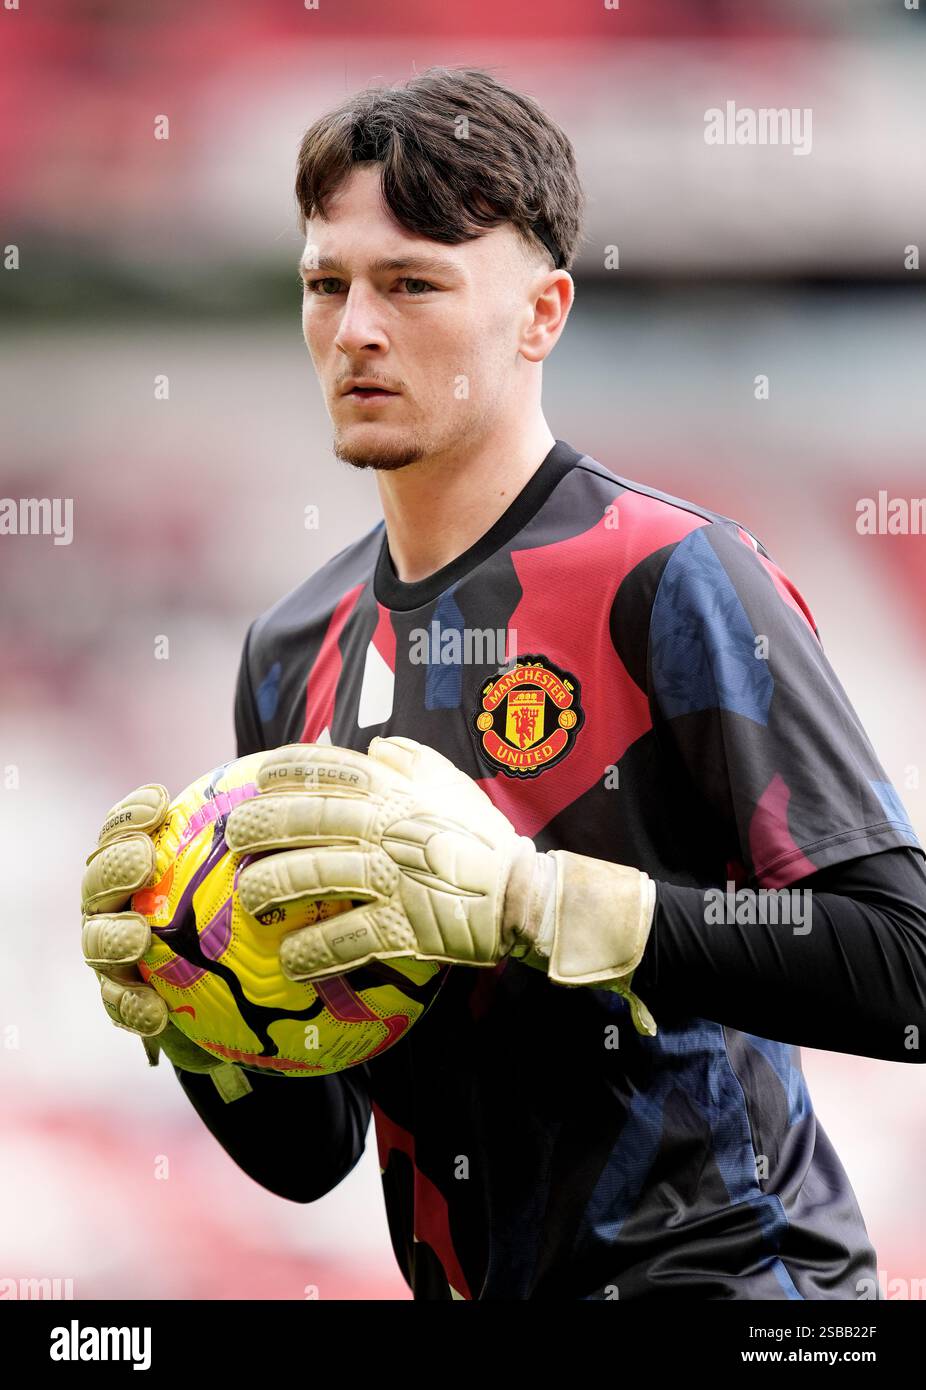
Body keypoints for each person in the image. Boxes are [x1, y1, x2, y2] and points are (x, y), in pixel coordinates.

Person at [80, 66, 926, 1301]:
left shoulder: (670, 576)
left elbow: (903, 968)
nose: (355, 328)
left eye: (411, 283)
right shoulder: (289, 649)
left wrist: (541, 904)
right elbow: (312, 1155)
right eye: (327, 284)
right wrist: (187, 998)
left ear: (541, 313)